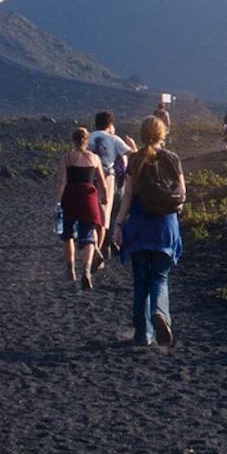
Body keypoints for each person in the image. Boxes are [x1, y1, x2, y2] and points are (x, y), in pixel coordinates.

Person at [111, 115, 185, 346]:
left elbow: (128, 196)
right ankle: (160, 313)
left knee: (141, 281)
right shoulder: (172, 158)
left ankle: (143, 333)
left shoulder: (135, 159)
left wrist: (118, 225)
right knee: (160, 278)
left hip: (140, 226)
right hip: (166, 226)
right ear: (163, 134)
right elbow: (182, 193)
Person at [55, 126, 107, 289]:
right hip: (88, 197)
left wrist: (58, 201)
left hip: (71, 196)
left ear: (73, 140)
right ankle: (86, 270)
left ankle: (70, 269)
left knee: (68, 234)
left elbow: (62, 181)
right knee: (89, 235)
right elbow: (102, 182)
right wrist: (104, 196)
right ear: (87, 140)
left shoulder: (67, 158)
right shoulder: (94, 158)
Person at [86, 110, 137, 273]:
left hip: (87, 177)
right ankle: (100, 249)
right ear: (109, 124)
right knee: (105, 215)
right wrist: (134, 146)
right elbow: (133, 155)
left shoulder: (88, 137)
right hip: (106, 177)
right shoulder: (114, 139)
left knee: (90, 215)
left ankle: (91, 246)